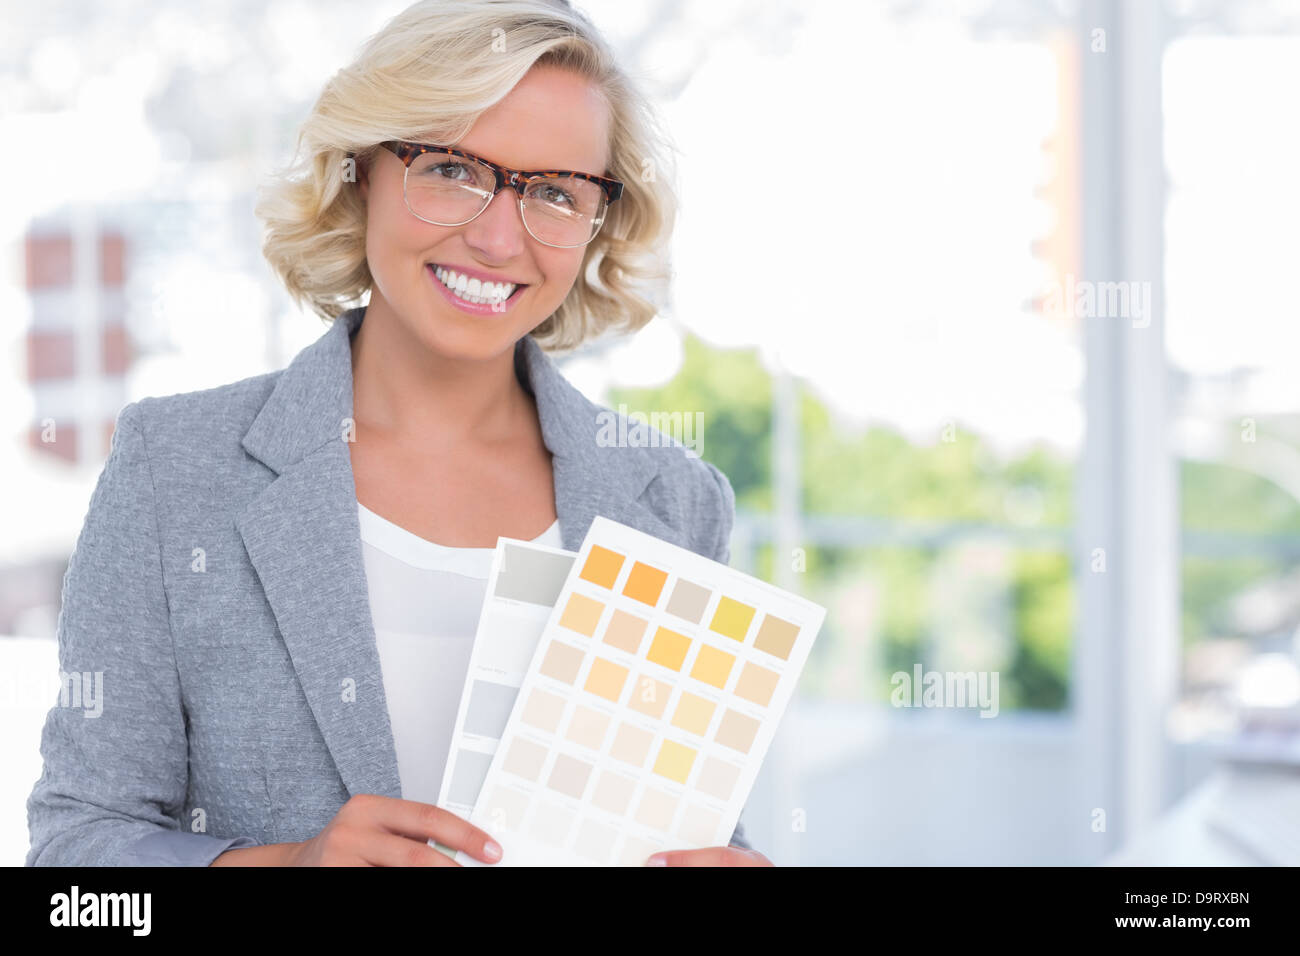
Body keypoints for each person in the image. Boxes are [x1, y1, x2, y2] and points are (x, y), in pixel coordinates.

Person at [26, 0, 768, 867]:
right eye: (453, 169)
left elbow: (691, 829)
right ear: (362, 169)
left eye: (556, 192)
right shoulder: (175, 470)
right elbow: (74, 865)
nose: (497, 238)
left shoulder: (676, 501)